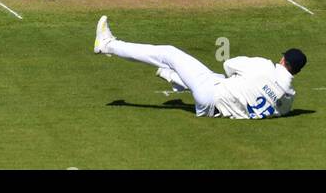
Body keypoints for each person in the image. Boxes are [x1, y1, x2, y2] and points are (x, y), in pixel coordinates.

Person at [92, 16, 307, 120]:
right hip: (215, 111)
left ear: (282, 60)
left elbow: (228, 65)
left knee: (168, 53)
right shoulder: (288, 100)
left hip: (211, 92)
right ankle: (173, 77)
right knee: (217, 80)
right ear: (295, 71)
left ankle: (107, 44)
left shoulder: (264, 67)